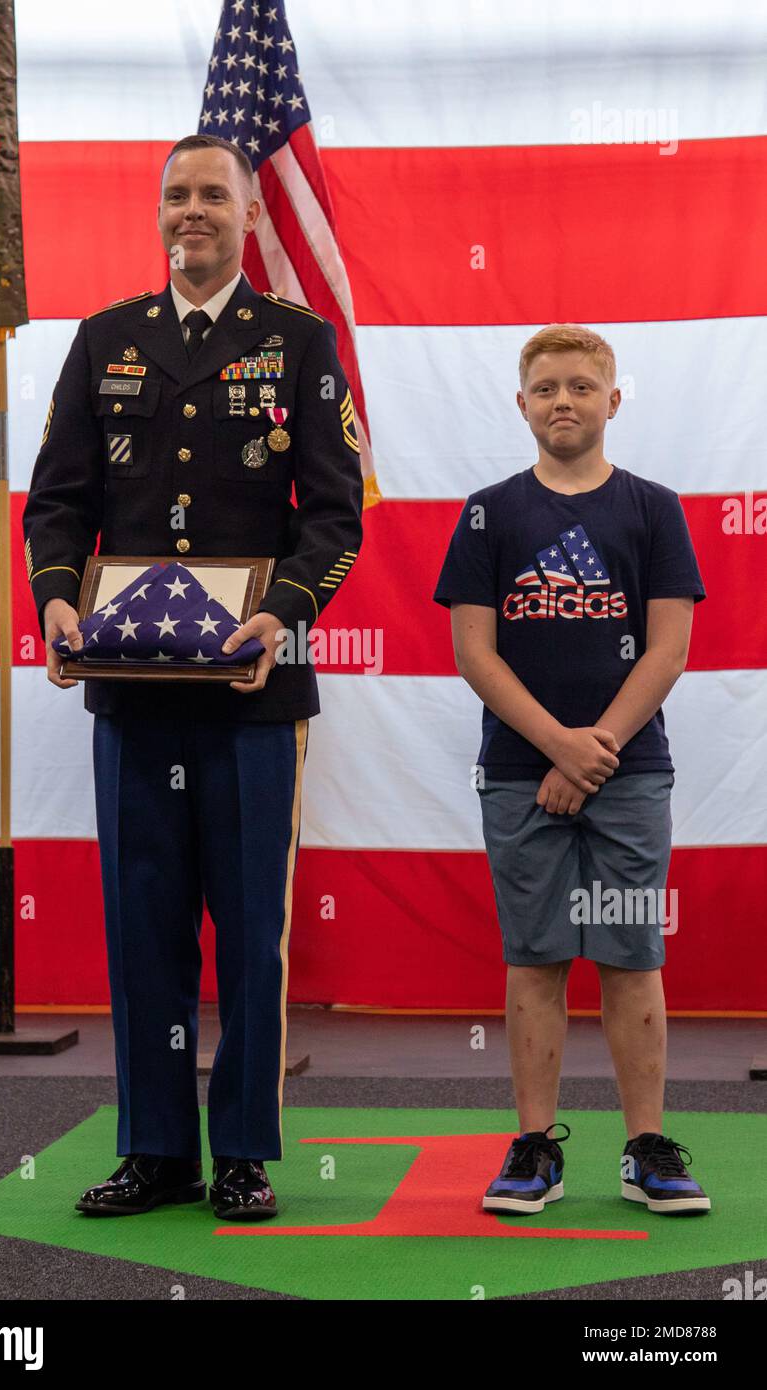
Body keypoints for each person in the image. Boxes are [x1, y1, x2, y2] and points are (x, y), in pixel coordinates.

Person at [22, 134, 363, 1219]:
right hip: (129, 695)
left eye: (213, 193)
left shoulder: (297, 344)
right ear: (158, 211)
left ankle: (243, 1152)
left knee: (250, 930)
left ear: (250, 216)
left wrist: (281, 614)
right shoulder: (103, 340)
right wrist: (57, 600)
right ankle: (156, 1148)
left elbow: (337, 517)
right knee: (143, 923)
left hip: (254, 693)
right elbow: (55, 503)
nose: (191, 211)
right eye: (175, 194)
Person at [433, 323, 711, 1216]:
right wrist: (555, 744)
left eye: (581, 388)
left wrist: (592, 756)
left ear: (612, 401)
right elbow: (474, 652)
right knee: (538, 956)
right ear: (520, 405)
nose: (563, 402)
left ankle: (645, 1148)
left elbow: (666, 649)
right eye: (546, 388)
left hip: (629, 776)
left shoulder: (651, 508)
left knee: (629, 954)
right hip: (521, 773)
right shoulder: (488, 511)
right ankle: (532, 1146)